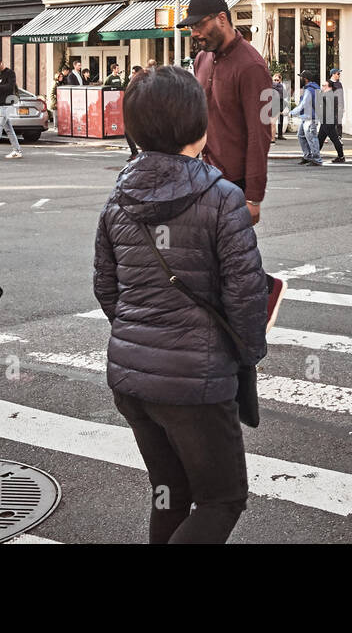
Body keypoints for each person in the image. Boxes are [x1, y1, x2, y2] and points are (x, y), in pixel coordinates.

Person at [93, 64, 267, 544]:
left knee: (168, 490)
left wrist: (144, 334)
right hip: (198, 382)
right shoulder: (223, 199)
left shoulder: (117, 200)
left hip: (132, 377)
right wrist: (245, 354)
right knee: (221, 499)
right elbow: (246, 297)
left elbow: (108, 291)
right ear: (199, 122)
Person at [178, 0, 274, 227]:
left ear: (222, 18)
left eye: (199, 25)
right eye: (191, 27)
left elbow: (260, 133)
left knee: (234, 257)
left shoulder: (253, 67)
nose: (195, 33)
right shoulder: (202, 59)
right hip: (201, 177)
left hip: (234, 185)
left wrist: (253, 196)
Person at [292, 71, 321, 166]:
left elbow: (304, 104)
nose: (300, 79)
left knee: (312, 138)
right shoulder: (312, 88)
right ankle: (307, 156)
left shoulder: (309, 90)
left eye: (301, 77)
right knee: (301, 135)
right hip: (307, 117)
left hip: (310, 117)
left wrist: (292, 112)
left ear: (305, 79)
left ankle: (317, 159)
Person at [317, 70, 346, 163]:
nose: (322, 87)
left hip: (328, 120)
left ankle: (341, 156)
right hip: (326, 120)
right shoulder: (328, 94)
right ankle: (315, 154)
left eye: (324, 85)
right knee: (320, 138)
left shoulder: (329, 95)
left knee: (334, 139)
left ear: (329, 87)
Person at [271, 73, 288, 141]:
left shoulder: (282, 86)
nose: (276, 81)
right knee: (272, 123)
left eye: (277, 80)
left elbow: (285, 96)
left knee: (280, 120)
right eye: (274, 80)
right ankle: (272, 136)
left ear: (280, 80)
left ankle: (279, 135)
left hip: (279, 105)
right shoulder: (270, 86)